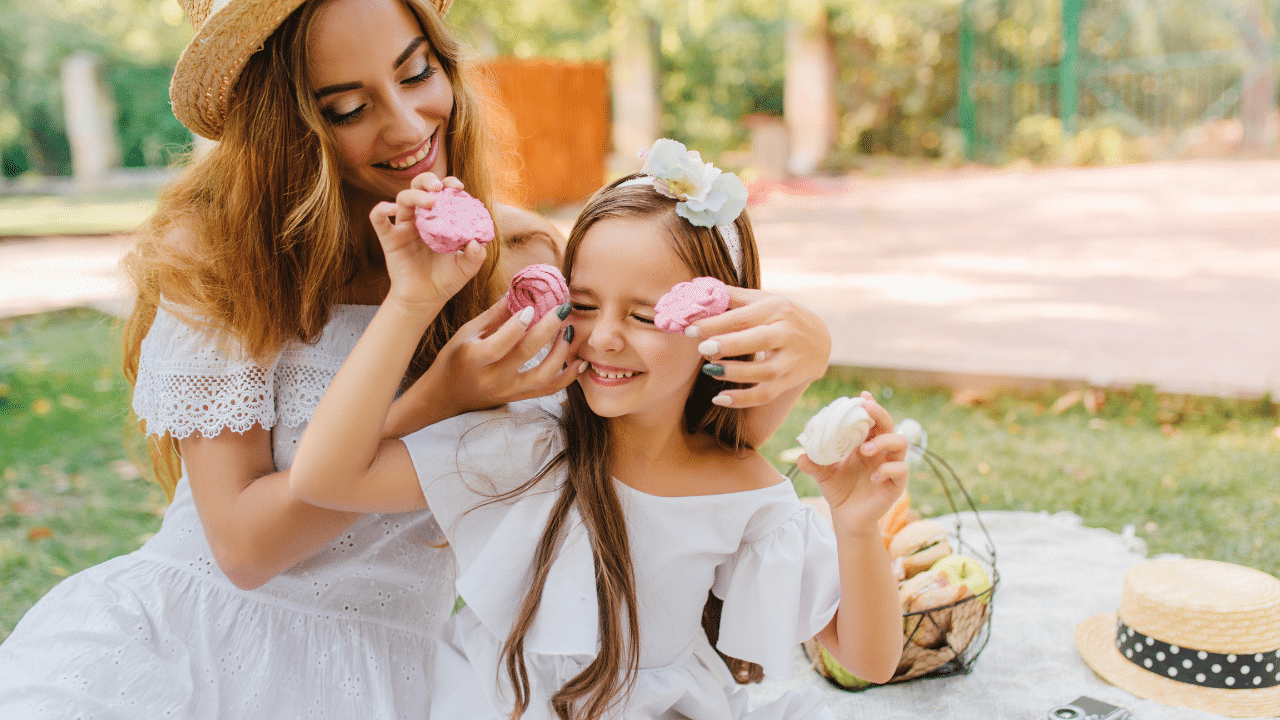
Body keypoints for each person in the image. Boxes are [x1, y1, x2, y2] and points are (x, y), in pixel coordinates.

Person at [0, 1, 831, 717]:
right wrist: (441, 395)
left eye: (416, 71)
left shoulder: (514, 253)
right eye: (346, 106)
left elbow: (645, 444)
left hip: (397, 668)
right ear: (284, 123)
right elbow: (245, 550)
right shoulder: (220, 260)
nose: (406, 126)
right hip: (194, 645)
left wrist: (804, 356)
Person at [289, 147, 907, 720]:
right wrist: (407, 303)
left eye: (644, 315)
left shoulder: (740, 488)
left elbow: (869, 660)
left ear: (721, 324)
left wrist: (856, 528)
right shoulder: (528, 448)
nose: (606, 336)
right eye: (582, 305)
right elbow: (322, 478)